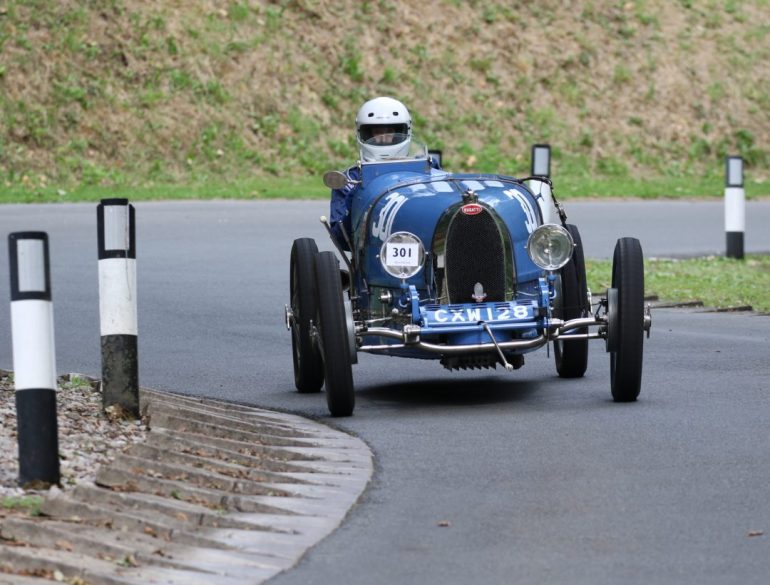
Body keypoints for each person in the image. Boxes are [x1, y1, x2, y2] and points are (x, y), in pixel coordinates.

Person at [329, 96, 438, 250]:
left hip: (421, 246)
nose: (383, 138)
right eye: (377, 132)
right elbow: (342, 240)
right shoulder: (349, 180)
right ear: (364, 133)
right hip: (370, 249)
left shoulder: (424, 169)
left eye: (390, 132)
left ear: (404, 130)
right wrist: (353, 199)